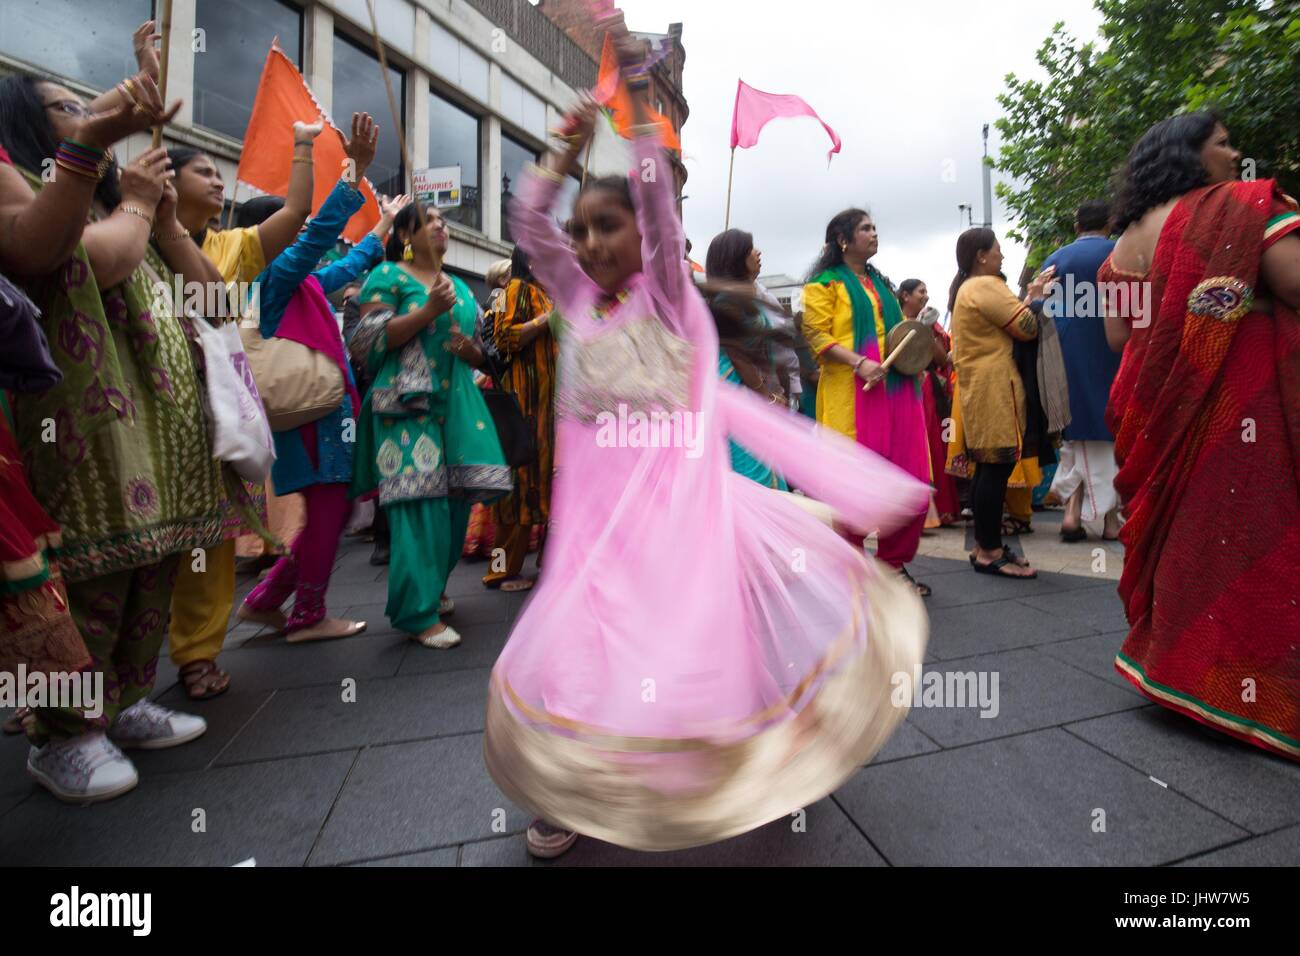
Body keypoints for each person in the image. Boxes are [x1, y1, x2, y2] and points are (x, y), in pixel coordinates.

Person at [487, 14, 929, 860]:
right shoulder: (576, 307)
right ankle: (570, 787)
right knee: (581, 641)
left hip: (681, 518)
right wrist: (561, 147)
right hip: (591, 529)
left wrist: (642, 111)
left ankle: (751, 757)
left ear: (654, 243)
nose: (588, 243)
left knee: (698, 641)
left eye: (605, 227)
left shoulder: (668, 299)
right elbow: (527, 220)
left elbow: (653, 194)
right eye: (580, 233)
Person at [0, 71, 223, 802]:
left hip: (157, 430)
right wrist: (132, 199)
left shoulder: (120, 198)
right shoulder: (40, 190)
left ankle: (123, 703)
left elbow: (214, 300)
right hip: (80, 431)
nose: (91, 112)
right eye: (70, 108)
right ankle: (61, 735)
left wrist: (161, 219)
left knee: (148, 570)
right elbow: (93, 259)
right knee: (84, 581)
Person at [1102, 112, 1300, 760]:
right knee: (1248, 533)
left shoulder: (1126, 239)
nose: (1235, 153)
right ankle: (1243, 686)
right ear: (1191, 153)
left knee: (1188, 534)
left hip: (1152, 403)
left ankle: (1177, 668)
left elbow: (1118, 336)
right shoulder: (1238, 210)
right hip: (1230, 397)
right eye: (1222, 143)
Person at [163, 121, 324, 698]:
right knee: (139, 547)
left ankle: (197, 654)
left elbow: (298, 208)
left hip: (213, 417)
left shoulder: (233, 247)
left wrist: (303, 141)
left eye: (217, 169)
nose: (215, 177)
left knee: (211, 538)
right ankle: (80, 680)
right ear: (165, 180)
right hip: (144, 409)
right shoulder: (129, 235)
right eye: (200, 170)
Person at [237, 116, 403, 642]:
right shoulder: (273, 278)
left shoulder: (301, 282)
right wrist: (352, 171)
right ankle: (308, 614)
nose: (295, 240)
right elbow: (317, 238)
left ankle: (265, 600)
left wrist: (383, 227)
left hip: (324, 415)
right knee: (328, 512)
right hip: (312, 418)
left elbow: (347, 261)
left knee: (328, 512)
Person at [350, 202, 511, 649]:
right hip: (405, 406)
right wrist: (425, 313)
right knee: (419, 504)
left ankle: (433, 590)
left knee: (456, 503)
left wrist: (472, 353)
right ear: (406, 236)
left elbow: (483, 350)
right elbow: (364, 342)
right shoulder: (388, 277)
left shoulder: (459, 286)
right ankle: (415, 614)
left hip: (456, 405)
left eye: (443, 221)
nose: (442, 226)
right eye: (430, 221)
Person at [802, 209, 933, 596]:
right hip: (851, 394)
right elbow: (815, 335)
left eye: (875, 227)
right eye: (865, 229)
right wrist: (858, 362)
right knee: (854, 485)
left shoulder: (881, 284)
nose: (874, 234)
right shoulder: (823, 286)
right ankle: (851, 566)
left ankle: (890, 565)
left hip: (896, 392)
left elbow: (895, 336)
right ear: (843, 239)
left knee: (910, 481)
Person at [945, 228, 1054, 578]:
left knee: (988, 468)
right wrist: (1036, 300)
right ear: (981, 256)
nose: (1002, 257)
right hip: (995, 386)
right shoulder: (985, 286)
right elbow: (1026, 326)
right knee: (996, 468)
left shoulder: (968, 288)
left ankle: (984, 546)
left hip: (982, 385)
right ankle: (990, 551)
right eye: (997, 251)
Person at [1041, 201, 1121, 541]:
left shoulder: (1056, 260)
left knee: (1076, 433)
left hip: (1067, 351)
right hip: (1112, 349)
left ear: (1077, 226)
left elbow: (1046, 310)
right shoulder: (1121, 251)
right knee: (1111, 432)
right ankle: (1111, 521)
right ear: (1110, 222)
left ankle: (1073, 512)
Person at [482, 245, 556, 590]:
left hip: (542, 403)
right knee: (514, 492)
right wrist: (545, 321)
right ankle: (499, 570)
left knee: (534, 485)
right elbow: (504, 337)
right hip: (521, 400)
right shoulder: (516, 289)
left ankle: (526, 563)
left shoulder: (542, 292)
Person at [703, 227, 791, 489]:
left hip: (747, 391)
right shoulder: (728, 300)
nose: (758, 252)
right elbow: (739, 355)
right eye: (751, 247)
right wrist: (767, 395)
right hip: (735, 391)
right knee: (751, 472)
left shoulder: (741, 295)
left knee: (763, 465)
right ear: (735, 256)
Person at [898, 280, 960, 527]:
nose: (926, 296)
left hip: (930, 389)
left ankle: (941, 509)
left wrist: (927, 331)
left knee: (937, 444)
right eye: (921, 291)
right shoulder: (894, 322)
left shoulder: (932, 324)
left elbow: (943, 358)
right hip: (905, 388)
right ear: (905, 296)